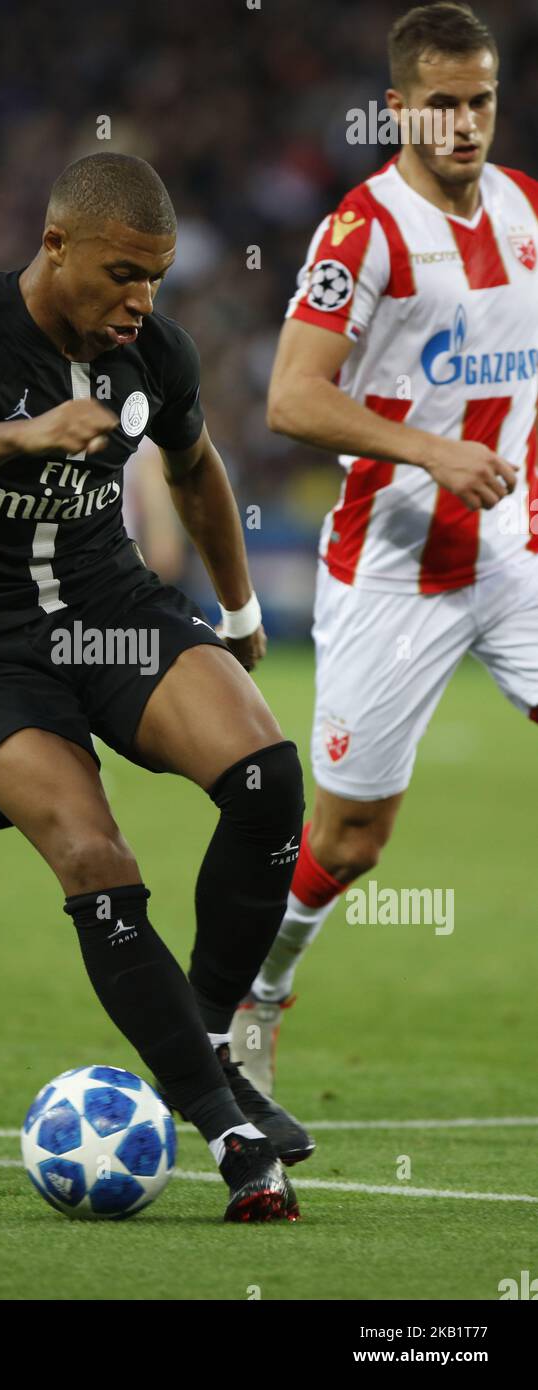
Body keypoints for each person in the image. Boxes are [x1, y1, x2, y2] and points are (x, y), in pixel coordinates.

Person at [0, 152, 314, 1222]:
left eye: (156, 278)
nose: (140, 300)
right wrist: (25, 431)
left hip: (105, 608)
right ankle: (222, 1122)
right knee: (92, 855)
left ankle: (206, 1033)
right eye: (122, 273)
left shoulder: (153, 353)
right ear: (55, 245)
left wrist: (242, 604)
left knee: (265, 777)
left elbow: (196, 466)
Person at [230, 2, 538, 1093]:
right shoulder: (359, 235)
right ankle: (258, 993)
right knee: (351, 839)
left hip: (510, 553)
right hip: (392, 566)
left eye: (481, 101)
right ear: (399, 106)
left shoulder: (526, 213)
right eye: (443, 104)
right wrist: (429, 451)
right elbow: (288, 399)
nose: (464, 124)